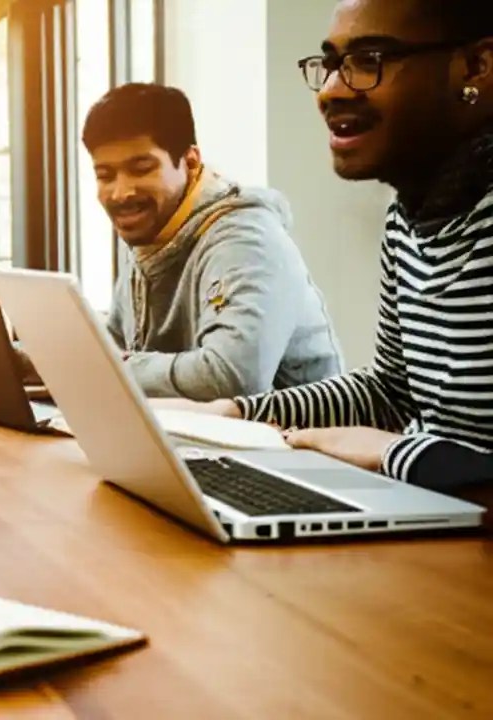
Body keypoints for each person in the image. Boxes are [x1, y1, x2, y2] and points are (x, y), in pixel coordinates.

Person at [183, 0, 493, 494]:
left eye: (371, 61)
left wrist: (393, 451)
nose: (330, 91)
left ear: (475, 66)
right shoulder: (409, 217)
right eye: (329, 64)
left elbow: (401, 437)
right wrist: (236, 412)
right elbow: (392, 394)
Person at [84, 83, 343, 400]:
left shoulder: (246, 238)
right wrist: (35, 360)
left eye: (142, 169)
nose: (121, 192)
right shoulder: (151, 233)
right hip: (194, 442)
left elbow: (230, 377)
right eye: (105, 175)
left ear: (190, 162)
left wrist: (102, 367)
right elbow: (114, 346)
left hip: (291, 444)